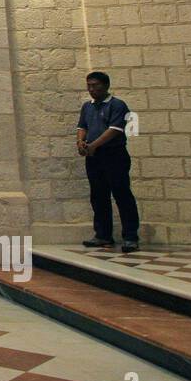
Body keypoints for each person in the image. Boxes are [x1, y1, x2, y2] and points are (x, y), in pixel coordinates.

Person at [76, 71, 140, 253]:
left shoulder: (117, 105)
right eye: (89, 85)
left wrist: (94, 145)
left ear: (105, 86)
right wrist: (81, 142)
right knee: (98, 195)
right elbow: (82, 126)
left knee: (122, 194)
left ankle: (130, 236)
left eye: (95, 85)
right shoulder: (87, 106)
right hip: (94, 157)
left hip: (114, 155)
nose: (91, 89)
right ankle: (103, 235)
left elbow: (115, 129)